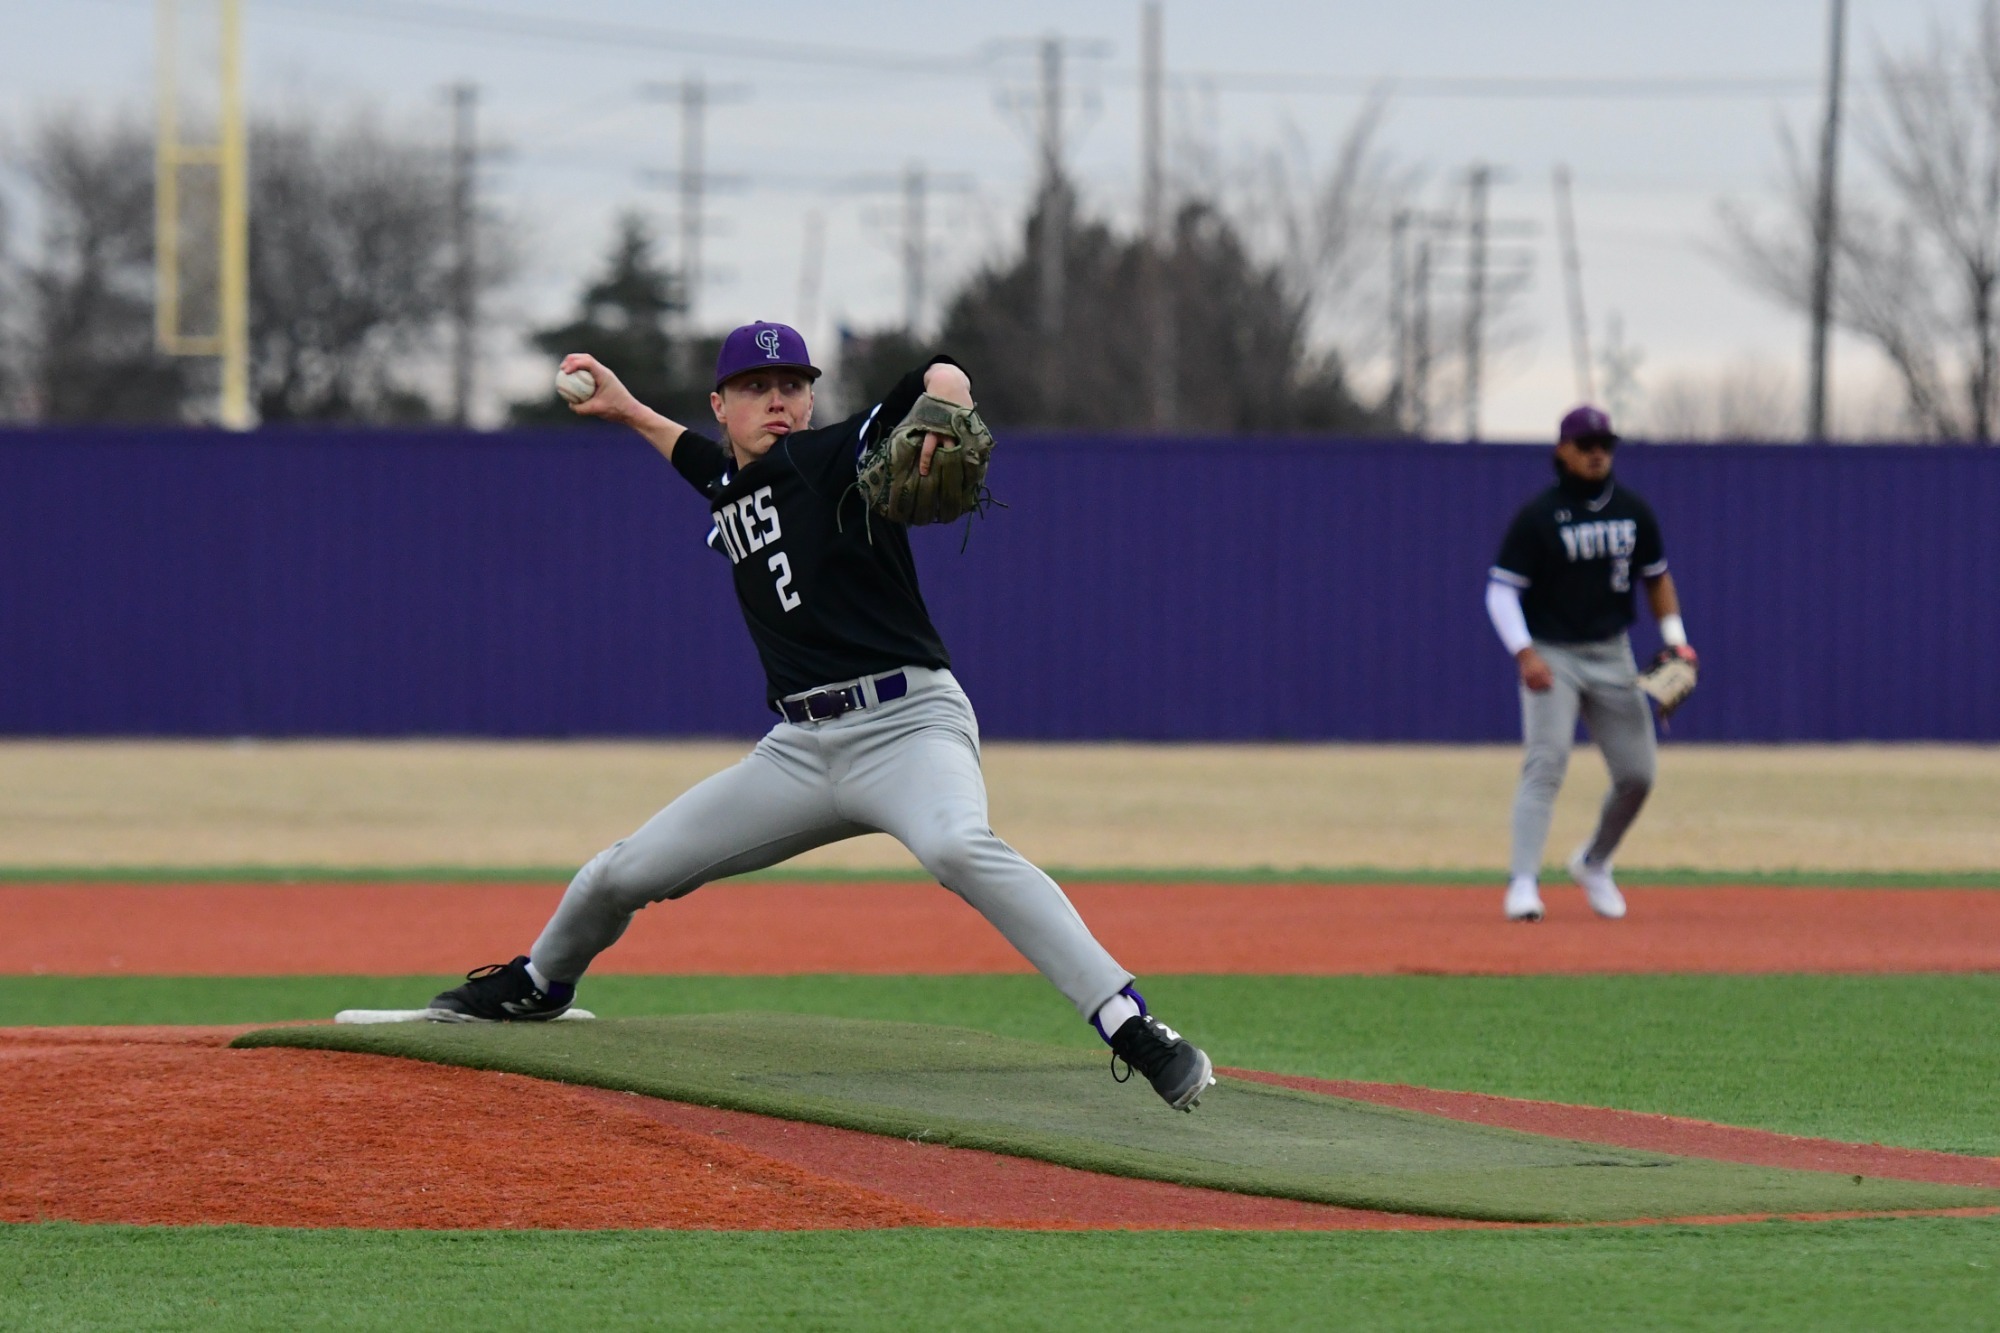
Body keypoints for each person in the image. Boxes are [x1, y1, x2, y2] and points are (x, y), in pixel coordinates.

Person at [426, 322, 1215, 1112]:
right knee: (619, 873)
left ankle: (1133, 1026)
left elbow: (935, 377)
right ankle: (540, 981)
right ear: (720, 405)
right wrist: (629, 409)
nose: (779, 399)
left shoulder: (840, 456)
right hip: (800, 752)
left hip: (909, 725)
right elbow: (708, 468)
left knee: (957, 845)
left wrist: (950, 390)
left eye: (794, 385)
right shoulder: (733, 480)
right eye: (756, 387)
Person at [1484, 405, 1696, 922]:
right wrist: (1524, 652)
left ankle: (1594, 862)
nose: (1598, 453)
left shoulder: (1633, 510)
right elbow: (1501, 591)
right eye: (1586, 444)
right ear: (1563, 450)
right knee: (1547, 761)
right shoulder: (1539, 516)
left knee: (1638, 774)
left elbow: (1657, 577)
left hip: (1611, 651)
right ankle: (1524, 883)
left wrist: (1676, 641)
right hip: (1552, 652)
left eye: (1605, 444)